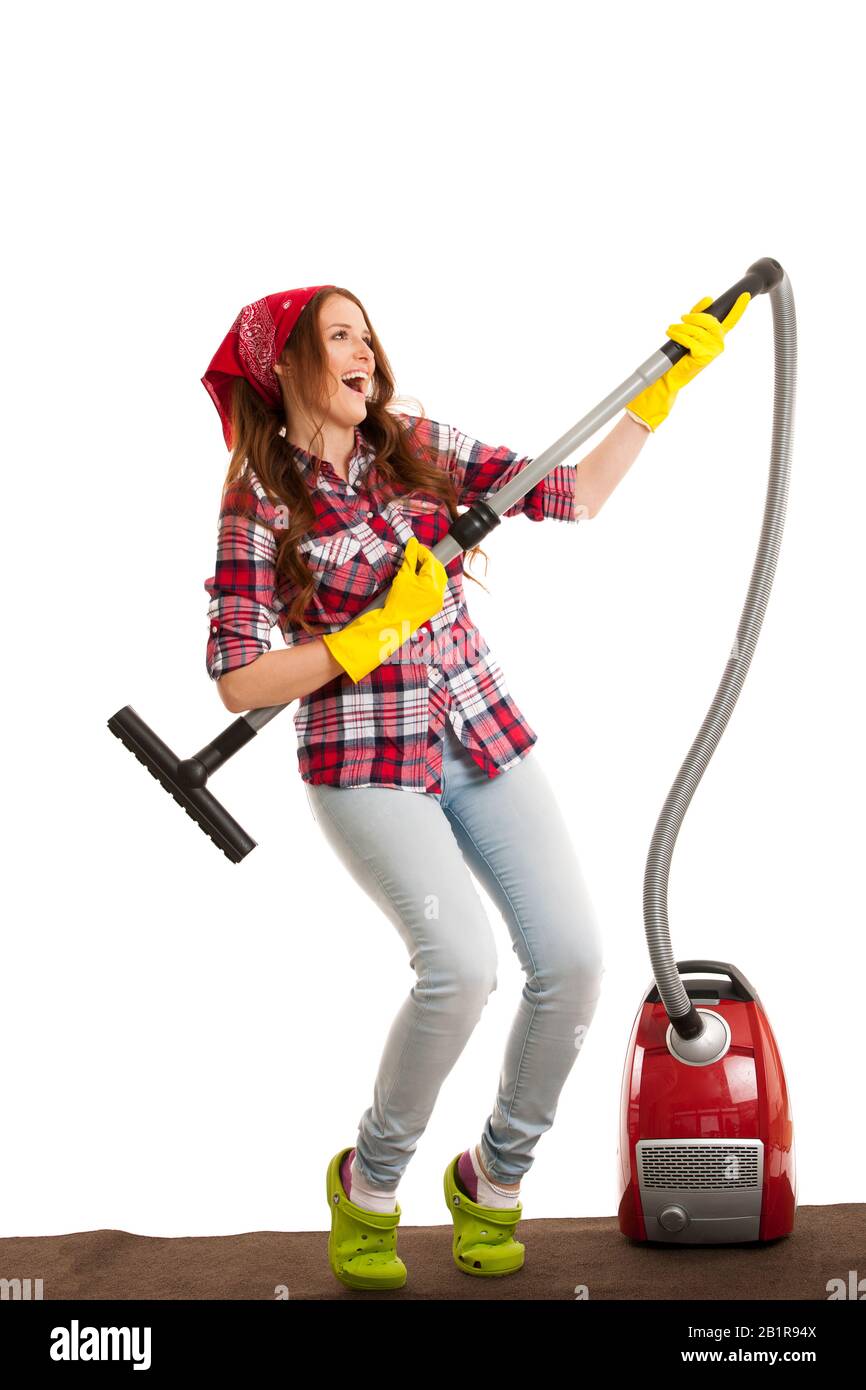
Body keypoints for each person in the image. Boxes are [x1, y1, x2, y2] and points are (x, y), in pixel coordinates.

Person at [201, 282, 749, 1290]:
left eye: (366, 332)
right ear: (284, 367)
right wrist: (361, 636)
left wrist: (658, 391)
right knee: (458, 967)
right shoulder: (256, 505)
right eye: (337, 337)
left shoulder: (415, 445)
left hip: (478, 728)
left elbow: (571, 492)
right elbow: (240, 674)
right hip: (364, 761)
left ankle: (492, 1178)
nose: (363, 350)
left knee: (573, 962)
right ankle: (368, 1187)